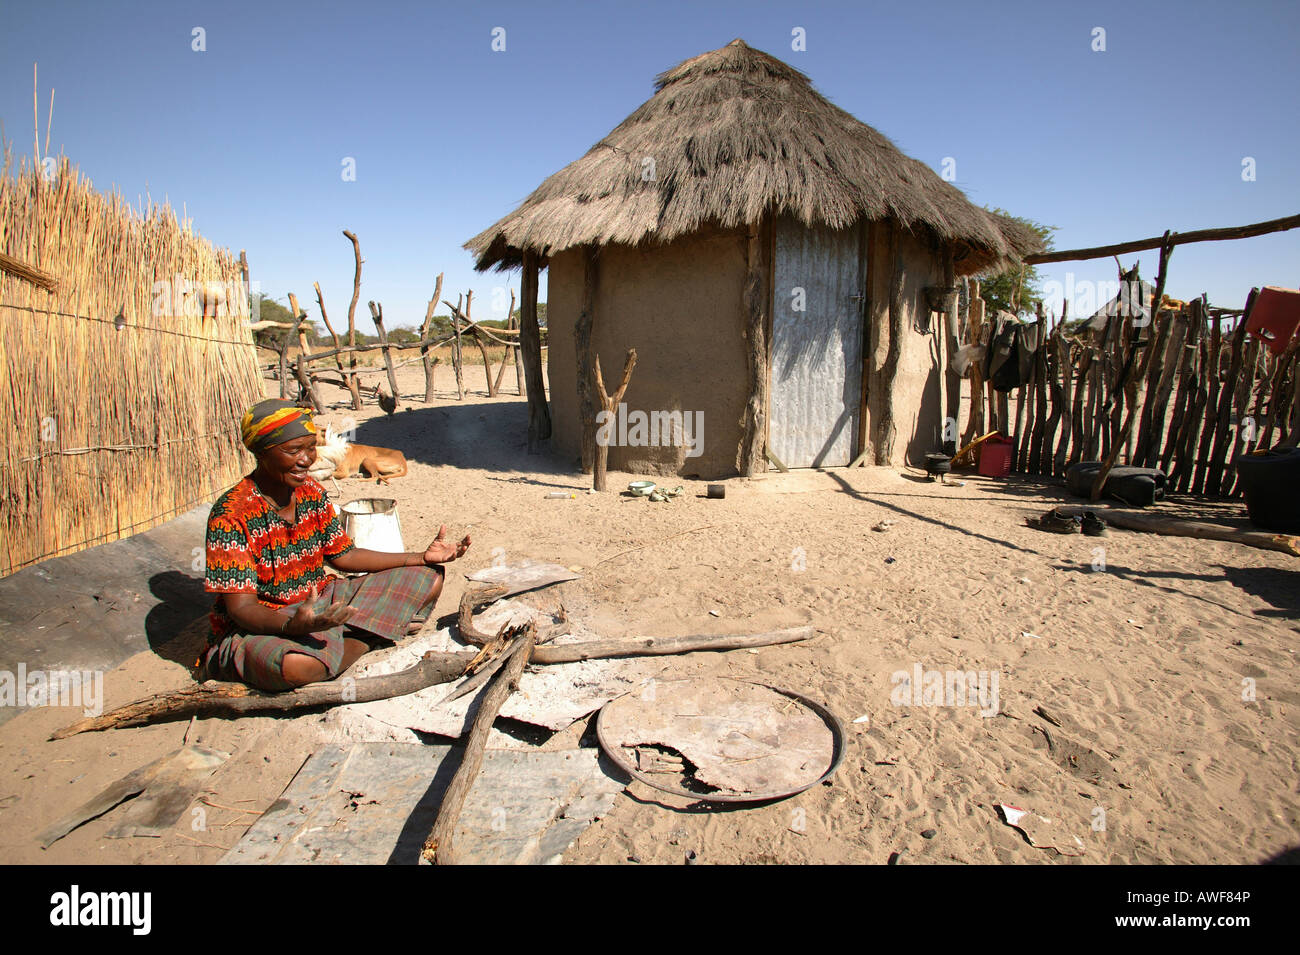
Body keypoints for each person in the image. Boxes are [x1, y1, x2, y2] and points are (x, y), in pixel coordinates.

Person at [203, 398, 470, 691]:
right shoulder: (231, 515)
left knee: (428, 578)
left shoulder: (310, 493)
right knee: (295, 668)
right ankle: (362, 639)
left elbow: (344, 555)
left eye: (310, 447)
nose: (307, 459)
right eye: (293, 451)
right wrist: (290, 627)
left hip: (320, 598)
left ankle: (333, 643)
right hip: (267, 621)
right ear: (260, 452)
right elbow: (242, 608)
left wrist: (421, 557)